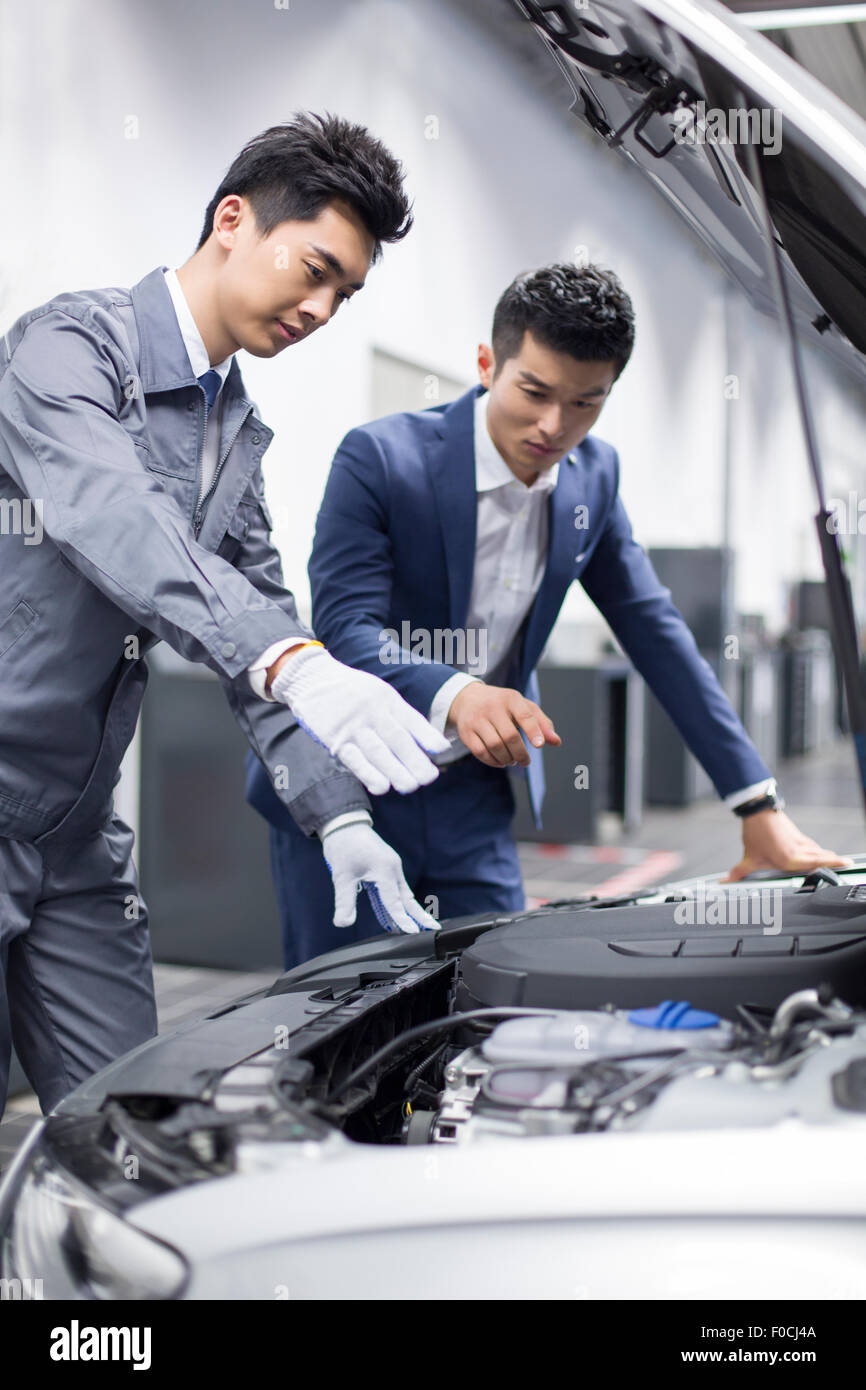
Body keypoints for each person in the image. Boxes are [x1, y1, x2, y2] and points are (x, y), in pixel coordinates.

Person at [0, 112, 453, 1118]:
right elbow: (111, 516)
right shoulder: (70, 347)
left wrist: (337, 811)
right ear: (233, 220)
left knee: (132, 1123)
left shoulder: (232, 431)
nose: (323, 307)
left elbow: (262, 620)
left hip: (75, 831)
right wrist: (287, 657)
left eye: (345, 292)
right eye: (315, 268)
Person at [248, 261, 849, 968]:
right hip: (353, 783)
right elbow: (349, 630)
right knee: (343, 1017)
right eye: (533, 392)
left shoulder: (594, 476)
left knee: (491, 996)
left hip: (473, 796)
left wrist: (757, 806)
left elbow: (654, 633)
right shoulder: (381, 458)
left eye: (585, 403)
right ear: (485, 364)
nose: (553, 425)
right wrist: (458, 692)